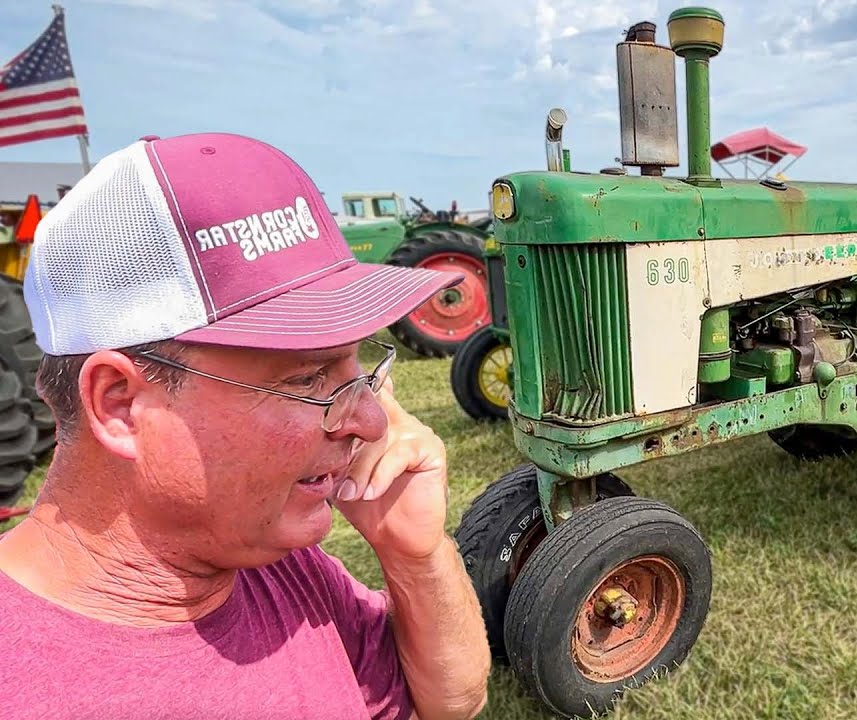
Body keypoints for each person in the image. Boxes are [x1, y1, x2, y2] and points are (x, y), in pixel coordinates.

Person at [0, 132, 491, 719]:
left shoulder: (272, 562)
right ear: (120, 405)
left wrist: (415, 555)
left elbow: (448, 703)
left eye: (359, 368)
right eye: (308, 378)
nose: (370, 419)